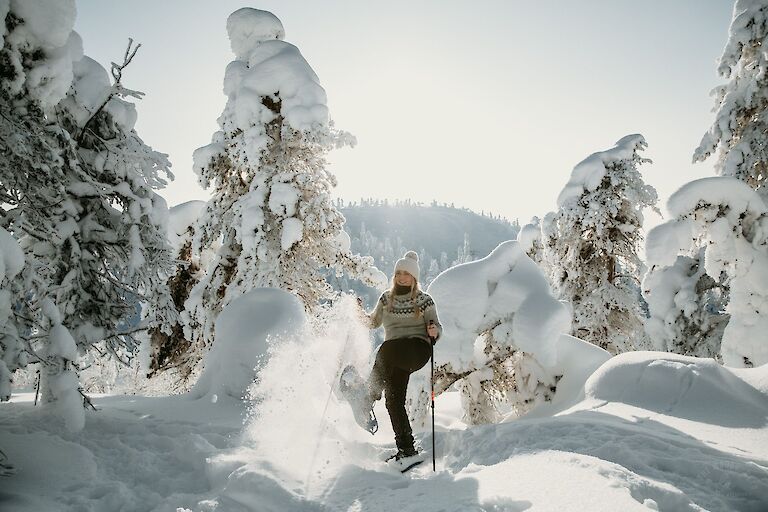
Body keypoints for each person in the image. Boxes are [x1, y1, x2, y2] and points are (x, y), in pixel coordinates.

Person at [359, 250, 442, 460]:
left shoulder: (424, 300)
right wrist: (356, 313)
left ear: (414, 277)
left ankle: (366, 397)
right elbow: (372, 323)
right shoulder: (386, 299)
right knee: (393, 401)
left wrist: (434, 330)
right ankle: (407, 449)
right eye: (398, 273)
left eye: (406, 273)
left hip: (417, 349)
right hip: (395, 356)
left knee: (387, 349)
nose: (401, 277)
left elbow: (436, 327)